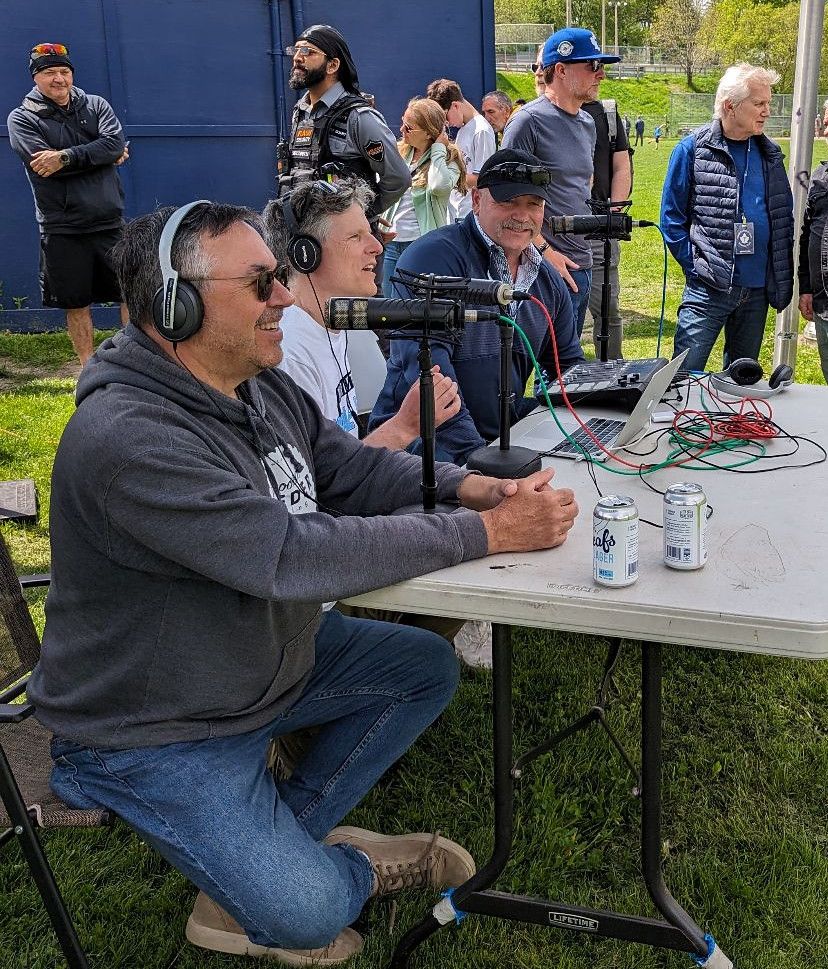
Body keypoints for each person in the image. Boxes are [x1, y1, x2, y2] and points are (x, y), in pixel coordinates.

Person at [30, 200, 579, 963]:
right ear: (176, 306)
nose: (286, 296)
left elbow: (348, 468)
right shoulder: (130, 438)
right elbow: (289, 556)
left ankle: (271, 845)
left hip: (257, 671)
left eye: (280, 277)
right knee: (310, 910)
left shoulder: (255, 381)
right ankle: (333, 869)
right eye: (261, 283)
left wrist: (467, 488)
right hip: (152, 729)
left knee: (421, 667)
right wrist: (486, 533)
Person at [370, 148, 584, 468]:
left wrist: (612, 404)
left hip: (501, 439)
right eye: (508, 201)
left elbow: (568, 369)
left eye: (533, 204)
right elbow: (432, 383)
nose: (521, 215)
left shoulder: (547, 281)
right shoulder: (431, 260)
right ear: (476, 200)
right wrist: (480, 467)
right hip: (422, 448)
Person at [263, 177, 460, 446]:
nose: (377, 247)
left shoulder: (332, 326)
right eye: (355, 237)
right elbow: (313, 471)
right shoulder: (290, 355)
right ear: (306, 254)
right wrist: (404, 427)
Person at [660, 63, 794, 373]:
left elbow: (782, 217)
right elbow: (671, 219)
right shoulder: (692, 150)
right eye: (759, 103)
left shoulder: (771, 155)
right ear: (730, 106)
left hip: (757, 292)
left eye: (768, 103)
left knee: (741, 380)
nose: (767, 111)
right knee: (684, 378)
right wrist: (697, 266)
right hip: (708, 289)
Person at [7, 42, 128, 365]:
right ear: (36, 78)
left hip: (109, 221)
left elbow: (114, 144)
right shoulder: (22, 118)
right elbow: (44, 166)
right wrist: (102, 156)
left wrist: (65, 157)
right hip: (63, 226)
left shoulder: (96, 105)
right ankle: (87, 367)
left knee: (130, 293)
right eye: (49, 72)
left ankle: (132, 360)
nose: (59, 78)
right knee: (76, 303)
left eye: (64, 71)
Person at [502, 27, 621, 338]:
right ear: (560, 70)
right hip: (541, 269)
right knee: (537, 360)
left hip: (581, 263)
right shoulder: (527, 121)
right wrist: (545, 252)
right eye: (592, 65)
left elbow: (581, 186)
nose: (601, 74)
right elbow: (503, 200)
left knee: (566, 362)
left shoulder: (587, 122)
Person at [279, 24, 410, 220]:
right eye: (296, 50)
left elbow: (398, 179)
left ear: (332, 65)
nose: (297, 57)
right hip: (304, 232)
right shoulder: (300, 111)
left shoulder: (359, 117)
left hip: (344, 236)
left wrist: (364, 216)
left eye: (308, 51)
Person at [379, 98, 466, 295]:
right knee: (388, 303)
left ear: (428, 132)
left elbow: (438, 187)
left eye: (409, 127)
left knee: (413, 304)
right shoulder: (399, 152)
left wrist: (438, 150)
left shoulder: (448, 159)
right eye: (403, 122)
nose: (402, 130)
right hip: (391, 242)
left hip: (420, 244)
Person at [581, 96, 632, 359]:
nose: (598, 77)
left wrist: (613, 214)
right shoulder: (535, 116)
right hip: (556, 234)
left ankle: (611, 372)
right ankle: (560, 377)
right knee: (562, 314)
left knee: (607, 310)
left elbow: (622, 165)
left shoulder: (607, 113)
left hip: (600, 229)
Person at [426, 78, 496, 221]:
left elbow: (482, 179)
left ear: (455, 105)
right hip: (456, 211)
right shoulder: (464, 128)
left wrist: (446, 177)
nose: (446, 123)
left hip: (469, 213)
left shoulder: (481, 130)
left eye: (445, 117)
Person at [797, 99, 828, 384]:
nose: (825, 128)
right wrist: (806, 288)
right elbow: (807, 236)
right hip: (822, 306)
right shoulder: (820, 177)